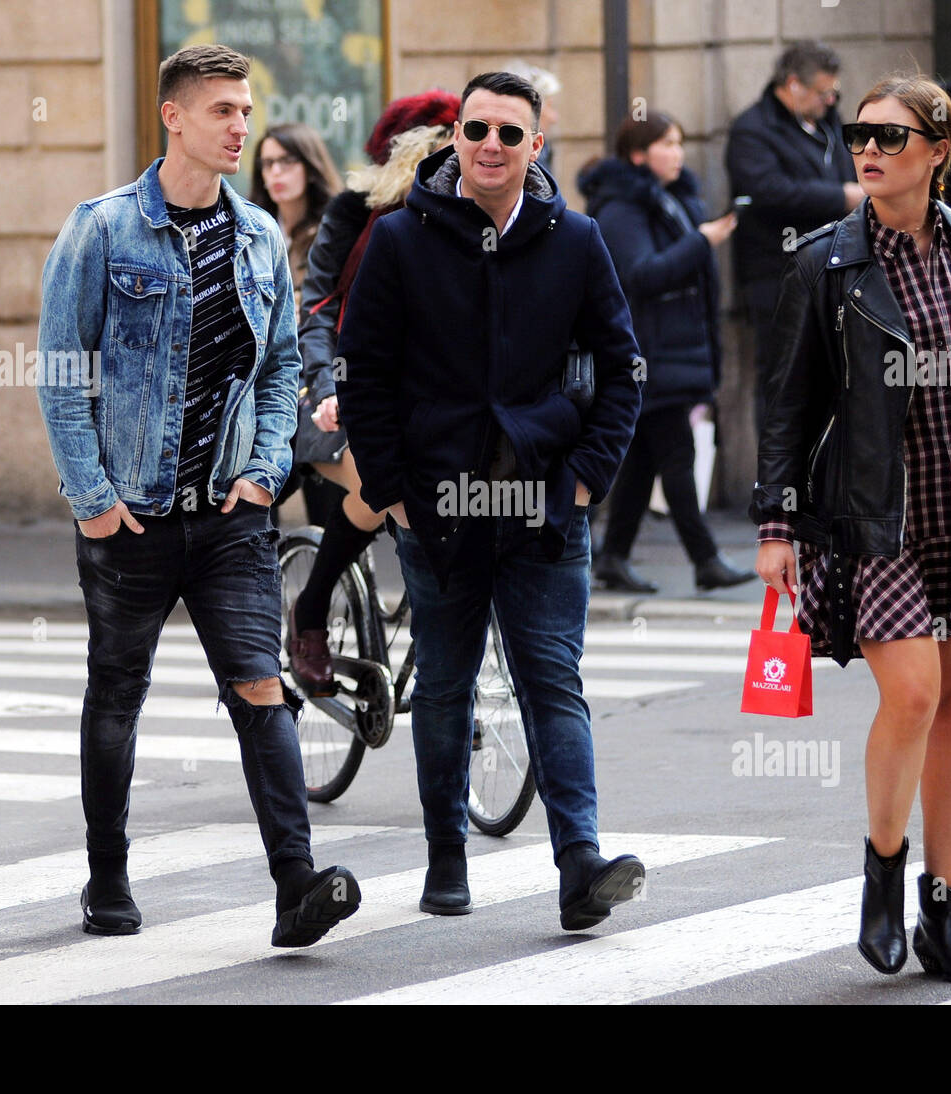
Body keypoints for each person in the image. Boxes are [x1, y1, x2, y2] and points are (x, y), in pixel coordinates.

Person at [36, 44, 360, 948]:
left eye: (247, 110)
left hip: (228, 517)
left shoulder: (258, 235)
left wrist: (263, 472)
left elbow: (281, 366)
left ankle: (296, 886)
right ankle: (107, 877)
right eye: (222, 110)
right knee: (117, 693)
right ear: (173, 116)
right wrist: (91, 497)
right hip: (130, 513)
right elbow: (62, 375)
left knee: (261, 688)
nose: (240, 127)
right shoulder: (100, 230)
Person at [335, 71, 647, 930]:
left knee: (554, 681)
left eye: (512, 133)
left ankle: (580, 861)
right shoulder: (401, 240)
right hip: (437, 506)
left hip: (545, 502)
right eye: (477, 129)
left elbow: (623, 369)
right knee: (445, 685)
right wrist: (393, 494)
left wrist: (587, 476)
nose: (492, 146)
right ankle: (445, 854)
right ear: (455, 141)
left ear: (536, 146)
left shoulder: (576, 240)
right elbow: (363, 376)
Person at [752, 75, 951, 986]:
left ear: (937, 149)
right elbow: (787, 403)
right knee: (913, 696)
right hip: (875, 511)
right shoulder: (825, 263)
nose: (868, 149)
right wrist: (777, 521)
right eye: (857, 134)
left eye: (889, 134)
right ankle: (884, 871)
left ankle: (944, 912)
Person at [287, 90, 460, 694]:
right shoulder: (355, 209)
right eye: (442, 150)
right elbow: (320, 308)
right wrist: (327, 382)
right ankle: (309, 610)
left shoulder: (464, 215)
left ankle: (446, 655)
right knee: (378, 479)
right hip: (332, 393)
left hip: (422, 400)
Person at [580, 111, 752, 594]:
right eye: (667, 144)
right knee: (677, 452)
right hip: (645, 353)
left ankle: (612, 556)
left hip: (669, 350)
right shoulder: (620, 209)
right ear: (639, 154)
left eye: (679, 143)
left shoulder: (670, 200)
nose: (677, 152)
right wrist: (702, 240)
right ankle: (705, 559)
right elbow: (641, 275)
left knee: (641, 459)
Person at [726, 41, 861, 432]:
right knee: (782, 378)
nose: (831, 99)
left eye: (834, 91)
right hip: (776, 271)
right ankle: (778, 482)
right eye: (823, 92)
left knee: (833, 374)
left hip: (834, 265)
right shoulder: (752, 129)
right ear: (793, 85)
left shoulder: (829, 121)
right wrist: (842, 196)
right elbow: (767, 190)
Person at [248, 122, 343, 315]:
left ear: (310, 167)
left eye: (287, 160)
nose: (275, 172)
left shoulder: (334, 229)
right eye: (267, 163)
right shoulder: (251, 228)